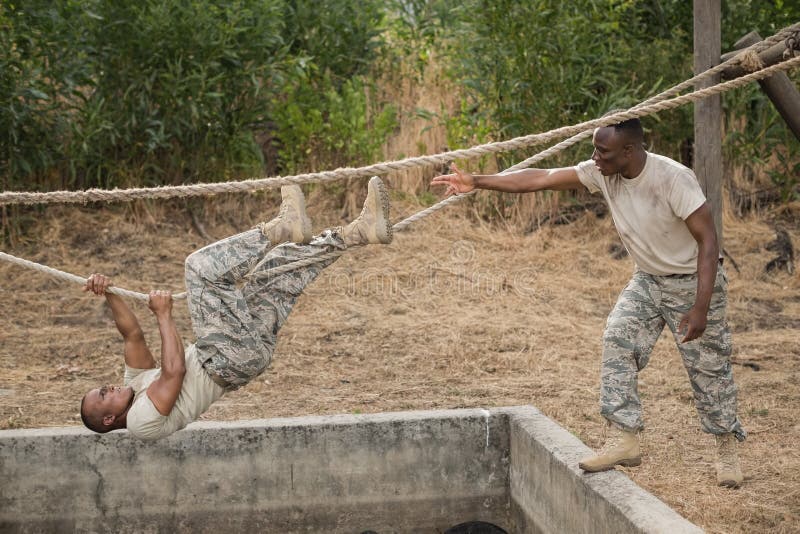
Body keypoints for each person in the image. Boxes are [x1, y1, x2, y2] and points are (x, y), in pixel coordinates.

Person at [431, 117, 745, 487]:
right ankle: (624, 437)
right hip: (648, 279)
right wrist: (477, 182)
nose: (595, 157)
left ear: (629, 151)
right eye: (595, 149)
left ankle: (726, 449)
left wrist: (701, 307)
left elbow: (709, 242)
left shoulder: (672, 178)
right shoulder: (603, 172)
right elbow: (542, 178)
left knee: (708, 369)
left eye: (603, 151)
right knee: (617, 338)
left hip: (692, 281)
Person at [80, 177, 393, 441]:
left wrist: (107, 291)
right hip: (224, 360)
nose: (108, 387)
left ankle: (360, 232)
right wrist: (163, 314)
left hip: (237, 348)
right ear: (109, 420)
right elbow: (175, 372)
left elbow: (132, 335)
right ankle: (278, 228)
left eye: (102, 388)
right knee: (200, 269)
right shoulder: (139, 423)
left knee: (280, 265)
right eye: (103, 396)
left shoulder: (133, 385)